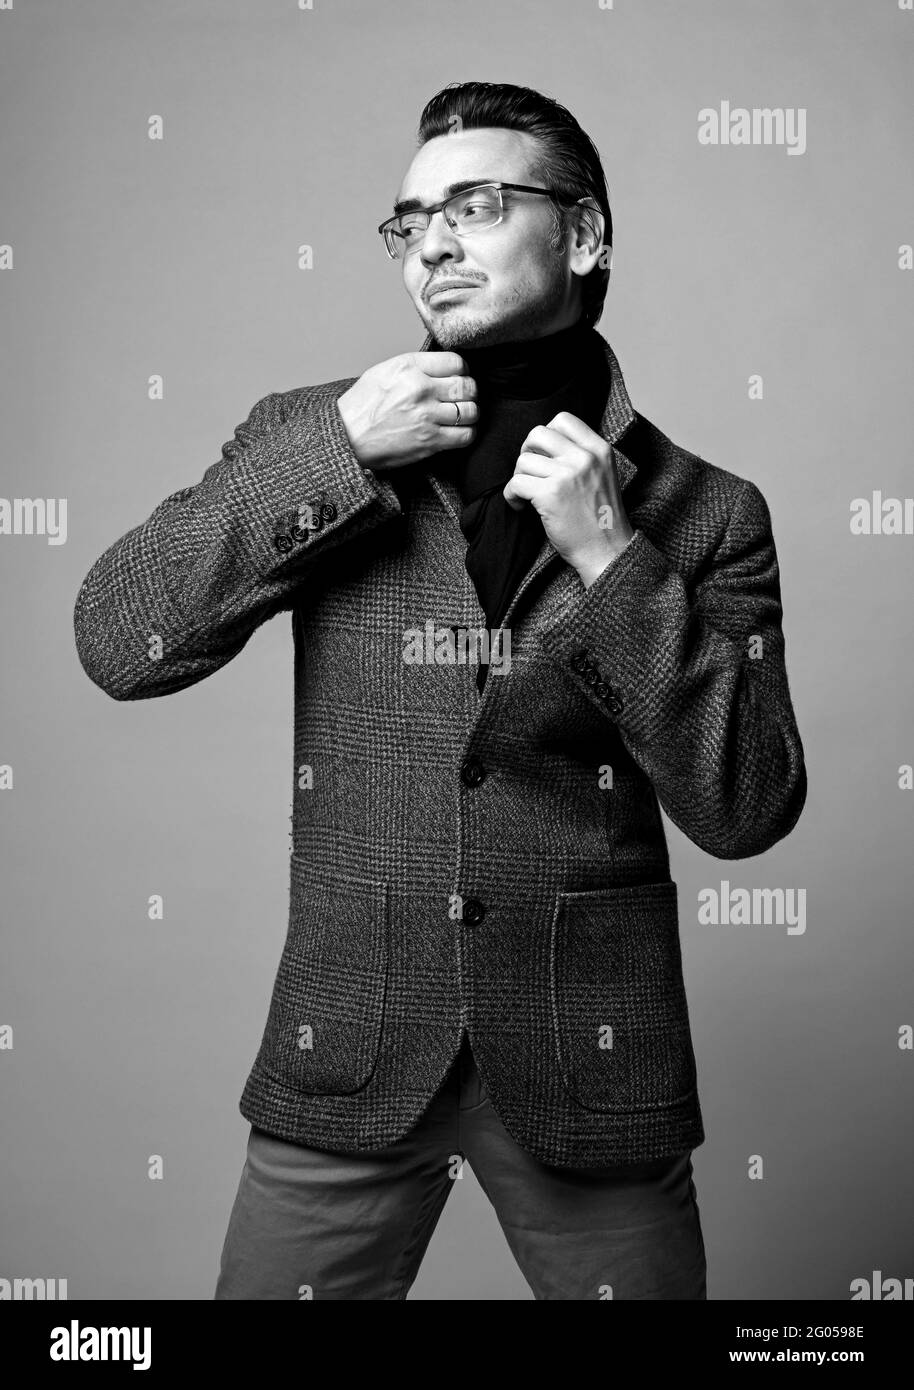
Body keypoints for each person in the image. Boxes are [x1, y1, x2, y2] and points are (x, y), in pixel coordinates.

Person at [73, 81, 807, 1300]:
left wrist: (613, 563)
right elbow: (119, 640)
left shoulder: (704, 509)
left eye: (476, 204)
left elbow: (749, 805)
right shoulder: (313, 431)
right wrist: (337, 453)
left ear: (581, 236)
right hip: (349, 1047)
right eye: (410, 221)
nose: (434, 245)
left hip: (589, 1061)